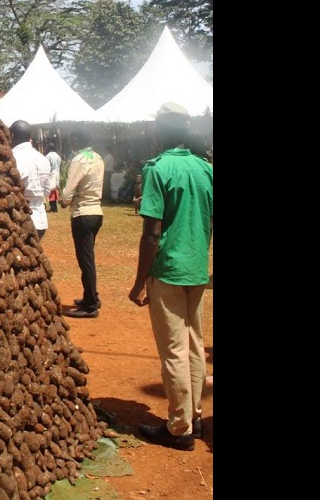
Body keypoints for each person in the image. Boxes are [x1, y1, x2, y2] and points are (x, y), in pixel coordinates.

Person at [128, 102, 213, 451]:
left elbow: (152, 231)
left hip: (168, 271)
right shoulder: (206, 168)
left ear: (160, 131)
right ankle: (192, 414)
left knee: (174, 350)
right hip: (197, 270)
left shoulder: (157, 169)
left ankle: (179, 430)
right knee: (194, 345)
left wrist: (137, 283)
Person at [59, 128, 105, 318]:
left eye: (71, 139)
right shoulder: (98, 157)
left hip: (82, 214)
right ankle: (90, 296)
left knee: (85, 260)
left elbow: (68, 191)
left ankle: (90, 305)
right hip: (96, 212)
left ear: (76, 138)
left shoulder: (80, 160)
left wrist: (63, 200)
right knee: (88, 258)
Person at [9, 121, 54, 241]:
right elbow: (47, 191)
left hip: (19, 220)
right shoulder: (43, 159)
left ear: (11, 136)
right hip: (40, 220)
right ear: (30, 137)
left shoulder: (12, 158)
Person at [45, 142, 62, 212]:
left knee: (51, 191)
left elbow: (47, 166)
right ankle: (55, 206)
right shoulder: (58, 156)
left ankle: (53, 207)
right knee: (55, 190)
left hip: (51, 174)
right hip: (57, 174)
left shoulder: (48, 156)